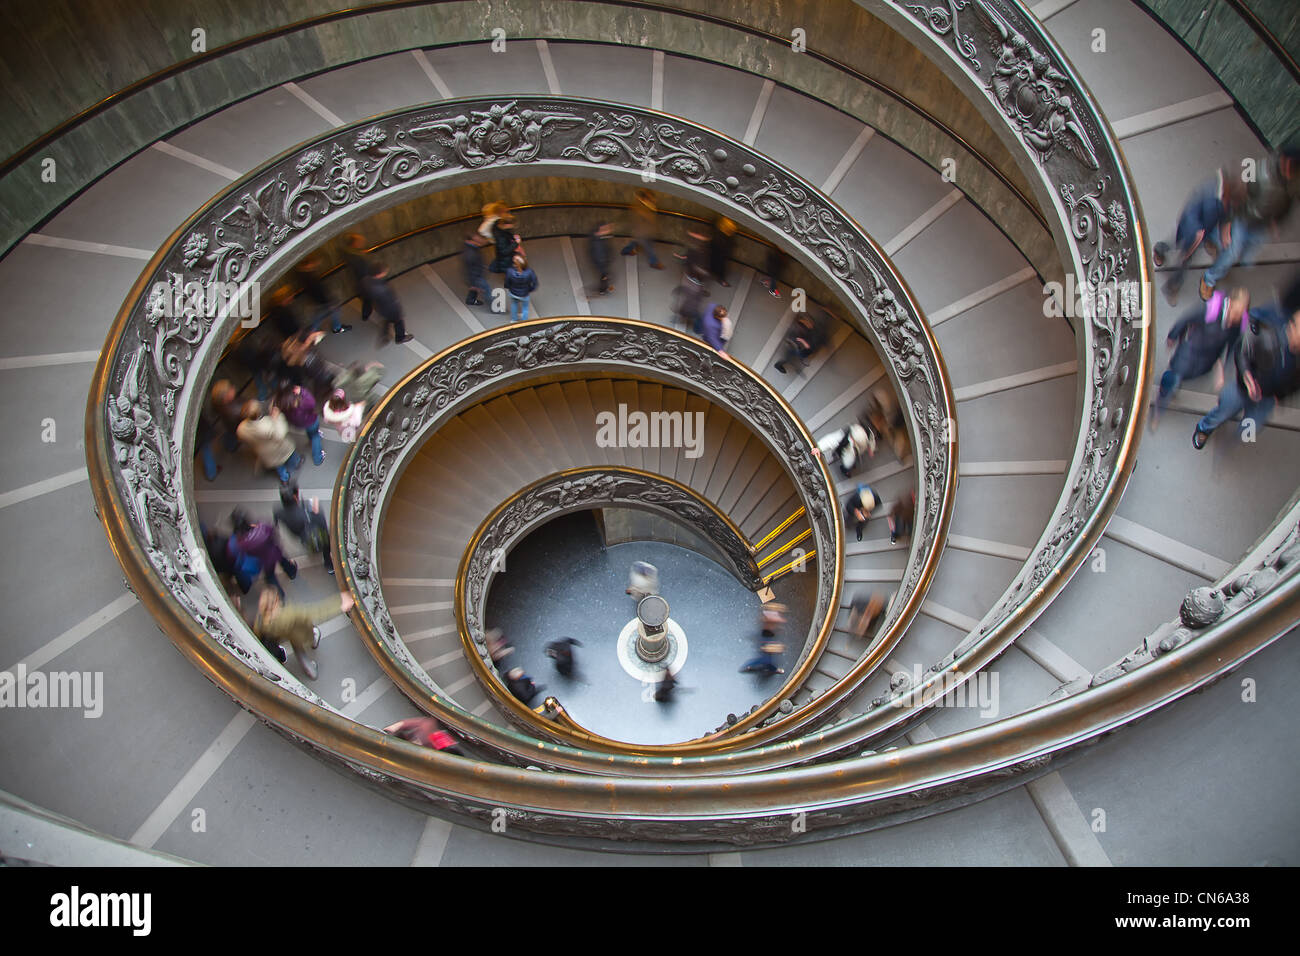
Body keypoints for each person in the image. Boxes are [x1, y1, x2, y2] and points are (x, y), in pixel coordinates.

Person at [1200, 148, 1300, 301]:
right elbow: (1239, 193)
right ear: (1285, 163)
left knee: (1246, 254)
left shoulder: (1294, 179)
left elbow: (1290, 201)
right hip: (1244, 218)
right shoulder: (1261, 171)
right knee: (1233, 252)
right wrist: (1229, 221)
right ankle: (1209, 279)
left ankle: (1213, 238)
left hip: (1263, 223)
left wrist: (1277, 221)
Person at [1192, 304, 1298, 448]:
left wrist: (1280, 397)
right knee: (1223, 412)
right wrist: (1246, 374)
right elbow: (1242, 350)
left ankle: (1236, 439)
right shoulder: (1271, 337)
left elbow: (1295, 383)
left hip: (1266, 400)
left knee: (1252, 426)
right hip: (1243, 389)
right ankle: (1204, 428)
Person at [1154, 287, 1248, 421]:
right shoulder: (1211, 310)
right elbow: (1187, 319)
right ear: (1231, 303)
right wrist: (1173, 336)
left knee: (1184, 377)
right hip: (1190, 351)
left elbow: (1233, 345)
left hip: (1206, 361)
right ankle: (1163, 397)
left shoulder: (1237, 324)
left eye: (1240, 314)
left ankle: (1173, 385)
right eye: (1236, 312)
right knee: (1175, 374)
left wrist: (1224, 368)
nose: (1236, 317)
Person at [1152, 169, 1233, 305]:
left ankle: (1160, 251)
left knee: (1173, 246)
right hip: (1190, 232)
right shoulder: (1210, 195)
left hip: (1199, 233)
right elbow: (1191, 210)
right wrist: (1196, 235)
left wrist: (1224, 231)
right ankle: (1172, 286)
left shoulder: (1224, 201)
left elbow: (1224, 217)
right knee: (1183, 259)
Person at [254, 588, 353, 680]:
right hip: (302, 633)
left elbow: (260, 632)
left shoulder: (262, 622)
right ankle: (313, 645)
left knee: (300, 654)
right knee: (312, 637)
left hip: (292, 636)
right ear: (275, 603)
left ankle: (311, 672)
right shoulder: (291, 614)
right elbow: (317, 611)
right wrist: (340, 603)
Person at [231, 508, 299, 598]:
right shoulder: (262, 528)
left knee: (271, 577)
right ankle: (292, 572)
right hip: (275, 552)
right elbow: (273, 532)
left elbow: (246, 553)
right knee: (284, 562)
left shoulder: (242, 542)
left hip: (265, 561)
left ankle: (280, 596)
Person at [236, 400, 302, 483]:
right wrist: (276, 418)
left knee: (277, 465)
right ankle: (297, 462)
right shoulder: (266, 425)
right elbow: (280, 434)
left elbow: (242, 437)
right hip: (279, 447)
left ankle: (284, 478)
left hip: (264, 452)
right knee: (291, 454)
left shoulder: (241, 428)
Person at [274, 484, 333, 575]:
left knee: (309, 543)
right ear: (295, 497)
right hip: (311, 533)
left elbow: (276, 521)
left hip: (299, 535)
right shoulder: (303, 513)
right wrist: (317, 511)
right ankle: (328, 563)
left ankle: (314, 549)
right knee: (326, 544)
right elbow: (321, 524)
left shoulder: (279, 511)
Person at [294, 254, 350, 333]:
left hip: (316, 301)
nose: (316, 265)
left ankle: (312, 332)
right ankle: (336, 328)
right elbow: (318, 290)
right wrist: (329, 302)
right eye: (315, 263)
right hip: (322, 301)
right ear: (309, 264)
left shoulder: (302, 275)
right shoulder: (310, 278)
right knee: (333, 311)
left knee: (317, 318)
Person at [277, 383, 325, 467]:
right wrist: (302, 391)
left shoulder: (284, 404)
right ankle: (318, 458)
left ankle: (311, 439)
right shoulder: (302, 404)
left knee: (310, 432)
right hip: (311, 421)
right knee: (315, 436)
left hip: (299, 424)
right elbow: (312, 402)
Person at [362, 265, 413, 344]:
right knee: (398, 321)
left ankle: (384, 335)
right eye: (383, 273)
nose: (385, 273)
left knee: (386, 320)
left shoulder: (366, 280)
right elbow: (390, 301)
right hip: (390, 309)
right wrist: (398, 311)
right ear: (378, 274)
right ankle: (400, 338)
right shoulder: (381, 289)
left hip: (380, 308)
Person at [620, 188, 665, 269]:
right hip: (642, 233)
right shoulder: (639, 207)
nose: (652, 199)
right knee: (649, 248)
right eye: (650, 197)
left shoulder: (648, 205)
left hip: (645, 232)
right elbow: (639, 220)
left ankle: (626, 251)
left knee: (634, 243)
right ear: (645, 198)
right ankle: (654, 262)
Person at [383, 716, 463, 756]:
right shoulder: (420, 735)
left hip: (446, 750)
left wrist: (397, 726)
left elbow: (428, 723)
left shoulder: (424, 731)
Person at [343, 233, 377, 321]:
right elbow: (363, 270)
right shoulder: (356, 257)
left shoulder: (350, 253)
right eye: (360, 241)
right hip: (364, 282)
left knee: (367, 299)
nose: (362, 243)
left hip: (361, 282)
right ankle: (367, 314)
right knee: (369, 298)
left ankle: (366, 314)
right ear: (355, 243)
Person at [504, 253, 539, 322]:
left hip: (513, 293)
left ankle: (514, 320)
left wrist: (509, 288)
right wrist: (529, 290)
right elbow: (535, 283)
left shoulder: (510, 271)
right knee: (525, 308)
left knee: (514, 305)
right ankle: (524, 322)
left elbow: (507, 282)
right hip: (524, 294)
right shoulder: (529, 272)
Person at [462, 232, 491, 306]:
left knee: (474, 288)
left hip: (475, 275)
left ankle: (470, 300)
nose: (479, 243)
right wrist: (472, 282)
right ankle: (495, 307)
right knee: (487, 290)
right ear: (470, 241)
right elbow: (470, 270)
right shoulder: (470, 254)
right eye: (477, 241)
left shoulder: (471, 248)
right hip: (476, 276)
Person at [708, 217, 737, 287]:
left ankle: (721, 225)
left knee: (718, 259)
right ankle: (720, 224)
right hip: (719, 249)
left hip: (719, 249)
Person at [588, 221, 615, 295]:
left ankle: (603, 287)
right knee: (604, 276)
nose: (609, 230)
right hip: (601, 263)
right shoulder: (597, 243)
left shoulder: (599, 237)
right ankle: (602, 290)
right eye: (607, 229)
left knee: (604, 276)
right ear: (601, 230)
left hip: (602, 261)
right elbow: (599, 255)